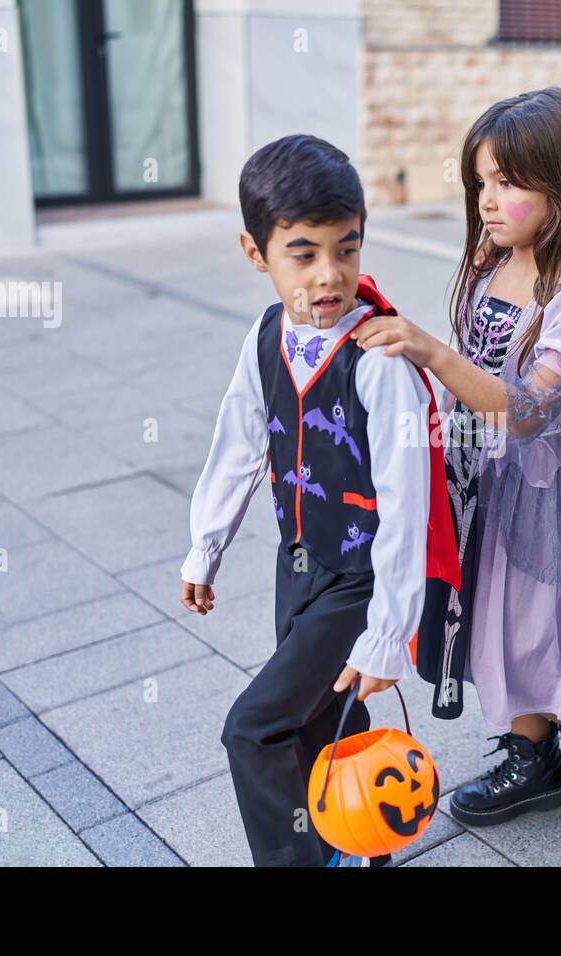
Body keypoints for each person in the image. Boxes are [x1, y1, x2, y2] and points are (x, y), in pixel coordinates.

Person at [353, 87, 561, 831]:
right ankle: (531, 754)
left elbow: (522, 413)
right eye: (481, 181)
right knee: (497, 625)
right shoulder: (493, 264)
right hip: (476, 477)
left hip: (546, 486)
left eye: (509, 182)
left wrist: (427, 347)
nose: (488, 199)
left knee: (555, 628)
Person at [179, 134, 458, 867]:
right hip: (297, 566)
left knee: (254, 729)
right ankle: (360, 846)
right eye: (303, 253)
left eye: (347, 247)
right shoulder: (266, 334)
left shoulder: (377, 359)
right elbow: (242, 439)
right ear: (255, 252)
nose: (329, 274)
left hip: (360, 581)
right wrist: (205, 546)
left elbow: (407, 503)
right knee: (322, 720)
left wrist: (389, 630)